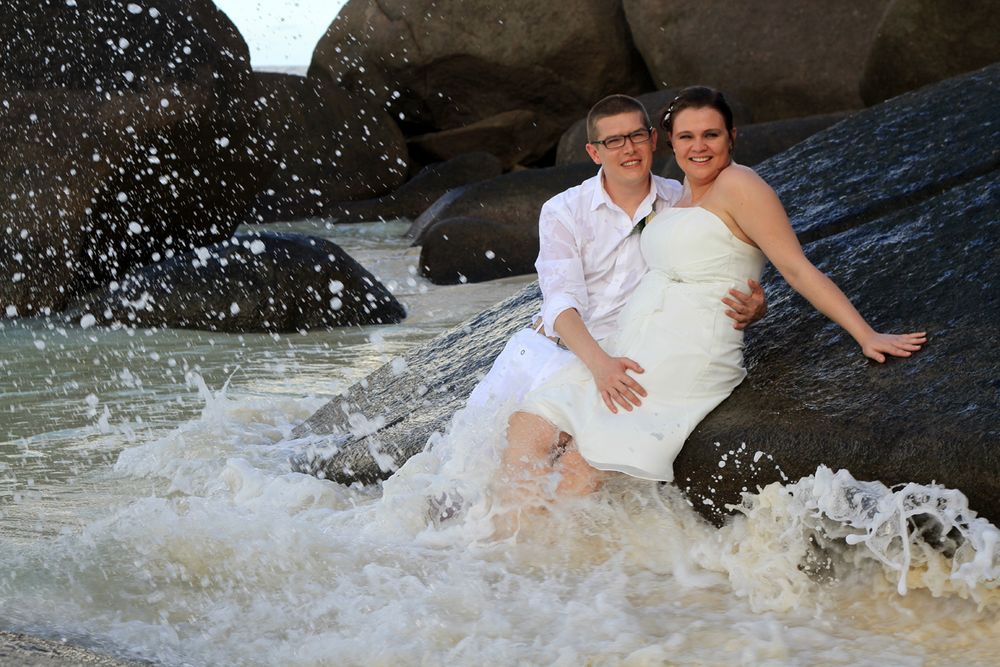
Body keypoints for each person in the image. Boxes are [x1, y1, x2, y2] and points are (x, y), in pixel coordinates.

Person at [502, 86, 927, 499]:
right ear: (670, 142)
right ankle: (496, 555)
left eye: (711, 134)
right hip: (626, 345)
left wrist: (865, 334)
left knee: (581, 464)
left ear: (732, 137)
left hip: (685, 352)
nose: (698, 146)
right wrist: (602, 363)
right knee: (528, 426)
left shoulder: (741, 185)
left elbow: (796, 268)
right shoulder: (676, 193)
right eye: (687, 136)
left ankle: (543, 558)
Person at [465, 94, 766, 415]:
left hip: (629, 355)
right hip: (551, 353)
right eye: (613, 141)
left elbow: (714, 270)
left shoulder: (681, 202)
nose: (629, 149)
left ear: (652, 140)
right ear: (594, 152)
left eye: (637, 136)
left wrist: (756, 305)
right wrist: (601, 367)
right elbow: (560, 302)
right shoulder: (563, 210)